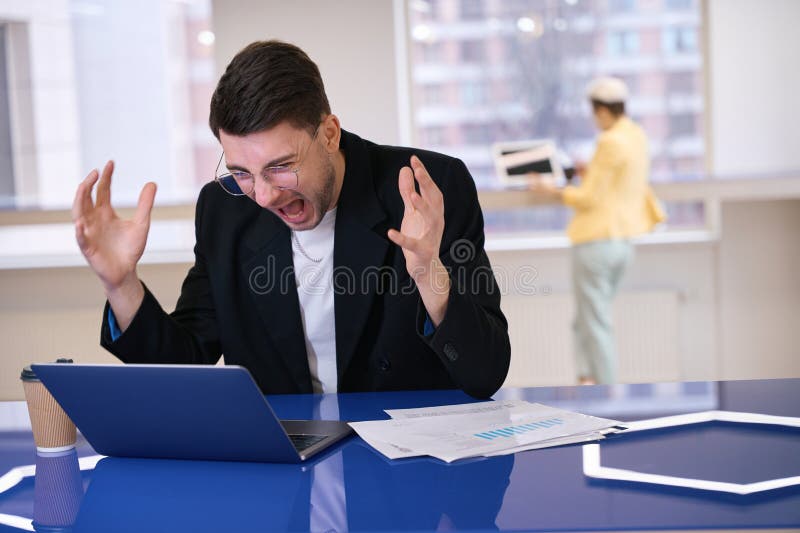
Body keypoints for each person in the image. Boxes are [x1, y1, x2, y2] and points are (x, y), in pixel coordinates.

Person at [72, 40, 510, 399]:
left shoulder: (427, 188)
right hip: (286, 469)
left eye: (280, 166)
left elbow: (485, 373)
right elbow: (186, 364)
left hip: (408, 471)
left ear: (329, 133)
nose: (263, 195)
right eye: (241, 172)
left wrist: (428, 274)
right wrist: (120, 284)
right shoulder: (225, 210)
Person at [532, 76, 665, 385]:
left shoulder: (609, 141)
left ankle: (605, 390)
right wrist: (589, 172)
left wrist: (550, 189)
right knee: (585, 322)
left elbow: (589, 198)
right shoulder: (635, 135)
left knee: (595, 323)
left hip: (596, 243)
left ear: (602, 111)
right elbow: (617, 183)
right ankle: (586, 382)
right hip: (622, 243)